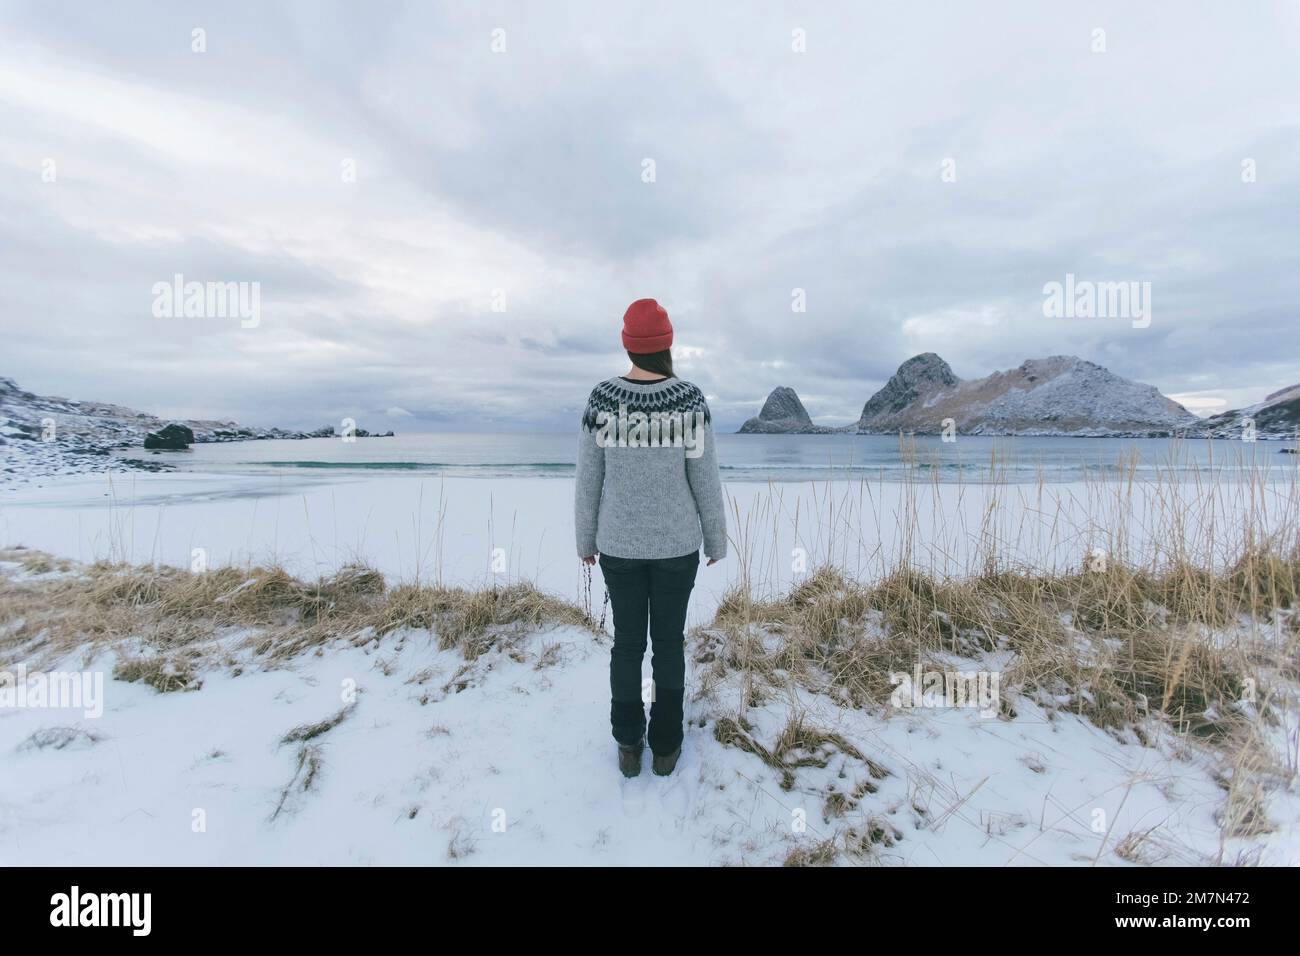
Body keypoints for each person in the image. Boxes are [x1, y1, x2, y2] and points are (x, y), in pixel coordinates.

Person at [574, 298, 727, 778]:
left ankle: (627, 743)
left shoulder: (602, 400)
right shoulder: (689, 400)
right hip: (677, 546)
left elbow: (589, 481)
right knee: (669, 644)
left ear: (628, 345)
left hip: (618, 545)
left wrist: (585, 540)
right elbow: (705, 477)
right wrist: (715, 539)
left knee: (626, 645)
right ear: (667, 344)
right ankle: (665, 746)